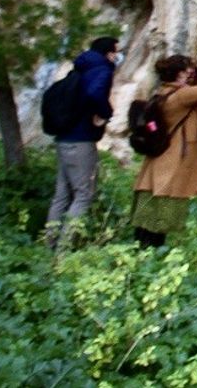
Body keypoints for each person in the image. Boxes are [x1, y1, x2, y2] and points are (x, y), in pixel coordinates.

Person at [131, 46, 197, 247]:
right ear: (179, 73)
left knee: (148, 220)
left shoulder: (164, 93)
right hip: (171, 162)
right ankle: (151, 259)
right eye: (187, 71)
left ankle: (142, 256)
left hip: (158, 162)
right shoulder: (183, 96)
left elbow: (193, 87)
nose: (191, 74)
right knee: (159, 220)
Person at [44, 36, 121, 246]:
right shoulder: (102, 70)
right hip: (81, 139)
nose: (117, 56)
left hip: (64, 138)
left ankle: (49, 244)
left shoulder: (80, 67)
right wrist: (106, 113)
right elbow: (95, 93)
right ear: (108, 53)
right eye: (116, 52)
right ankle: (64, 250)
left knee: (61, 195)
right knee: (84, 195)